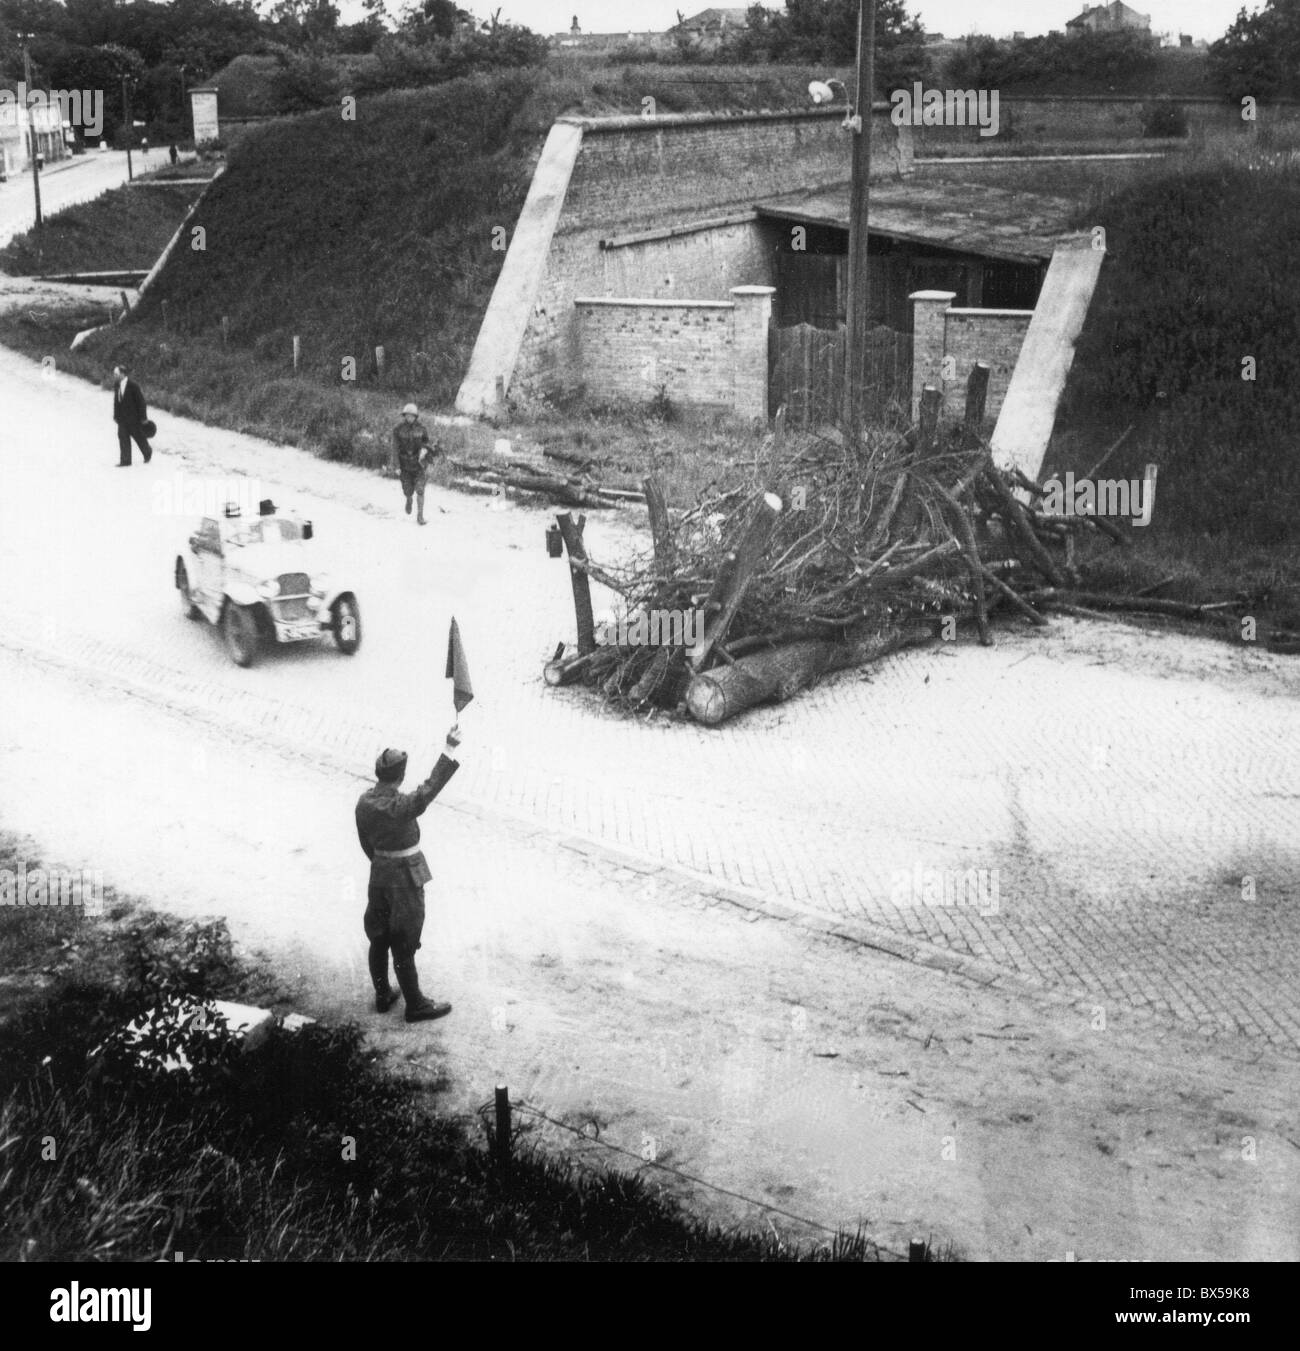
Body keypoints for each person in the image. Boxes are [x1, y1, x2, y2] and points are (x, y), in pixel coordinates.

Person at [355, 725, 462, 1022]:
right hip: (405, 879)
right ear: (401, 776)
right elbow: (430, 788)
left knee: (378, 937)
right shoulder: (402, 805)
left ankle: (382, 994)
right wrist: (449, 747)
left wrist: (380, 863)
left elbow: (365, 840)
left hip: (378, 876)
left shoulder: (364, 802)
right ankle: (415, 1005)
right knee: (404, 941)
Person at [392, 402, 434, 525]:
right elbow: (394, 448)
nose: (409, 418)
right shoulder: (398, 430)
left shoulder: (422, 429)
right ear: (404, 416)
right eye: (407, 416)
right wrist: (396, 465)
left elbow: (427, 442)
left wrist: (425, 450)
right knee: (407, 491)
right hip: (404, 466)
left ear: (416, 416)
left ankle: (420, 516)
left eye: (412, 416)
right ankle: (409, 499)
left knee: (420, 490)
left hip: (419, 465)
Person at [112, 364, 152, 467]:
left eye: (116, 374)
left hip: (134, 418)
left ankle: (147, 452)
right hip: (122, 418)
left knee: (139, 437)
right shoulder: (117, 385)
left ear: (122, 374)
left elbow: (141, 402)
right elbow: (116, 401)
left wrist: (143, 418)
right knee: (123, 437)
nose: (114, 376)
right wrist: (115, 415)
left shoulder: (133, 386)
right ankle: (125, 461)